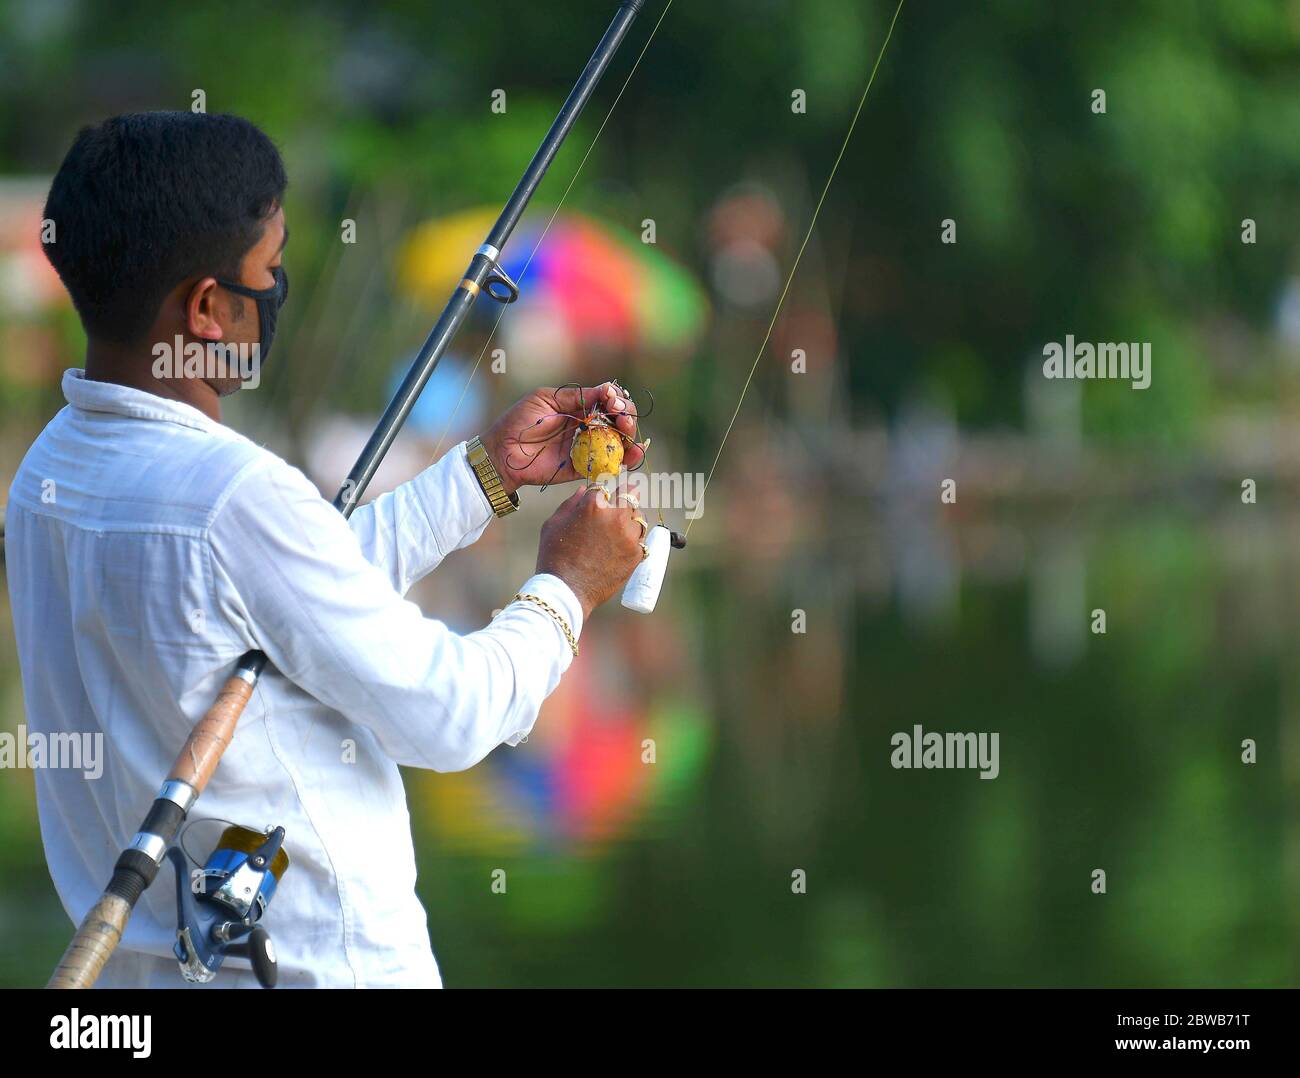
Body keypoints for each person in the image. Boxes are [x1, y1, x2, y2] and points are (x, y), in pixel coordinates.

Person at [5, 111, 647, 987]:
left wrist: (486, 475)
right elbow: (450, 713)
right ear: (205, 308)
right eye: (270, 269)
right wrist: (567, 588)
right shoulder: (229, 495)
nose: (279, 289)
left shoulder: (49, 473)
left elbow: (286, 600)